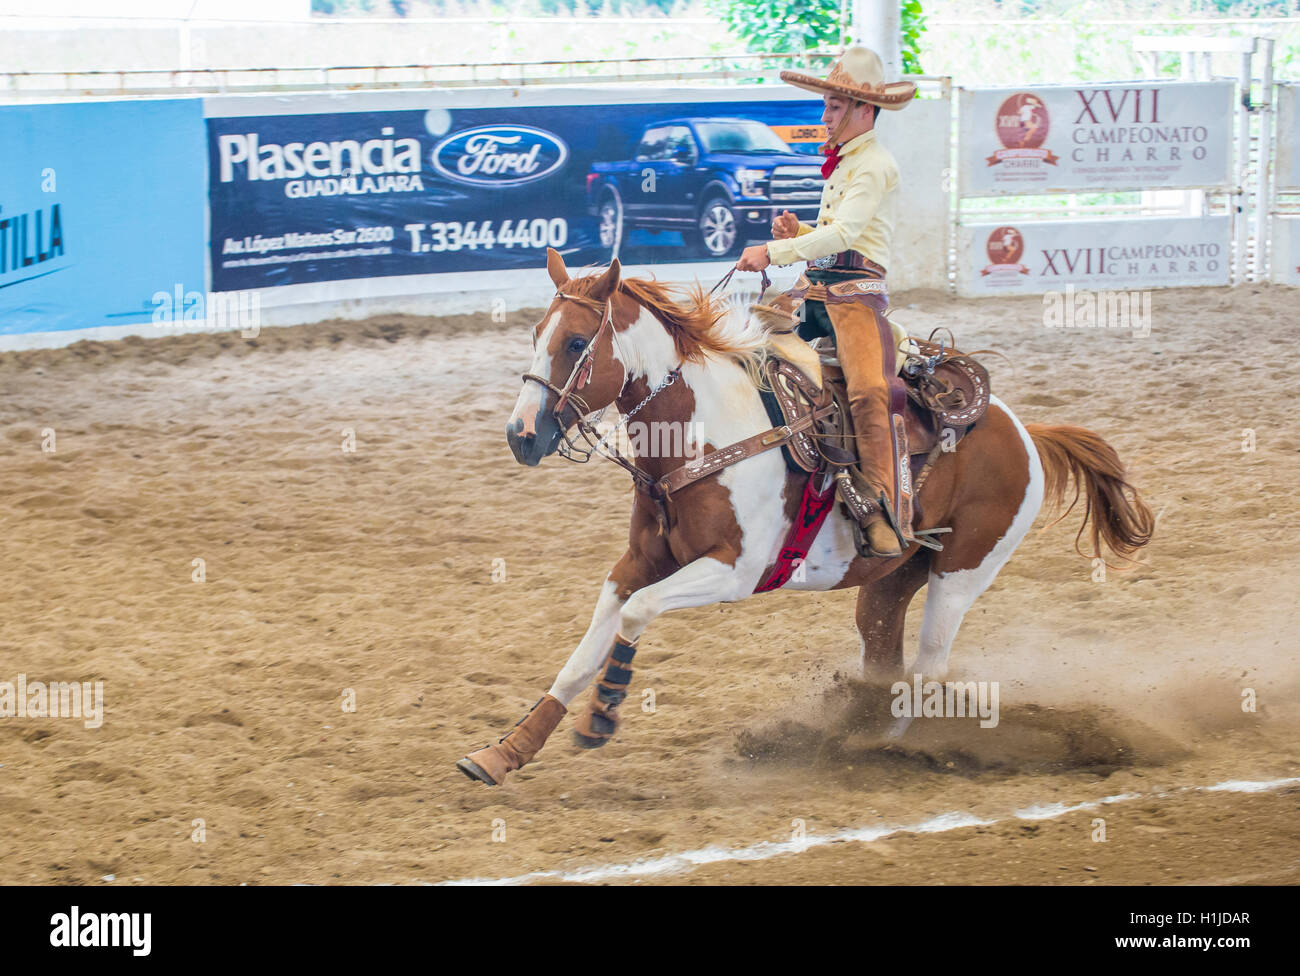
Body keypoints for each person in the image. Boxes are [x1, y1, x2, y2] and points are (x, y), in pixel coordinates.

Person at [736, 45, 917, 558]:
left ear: (864, 110)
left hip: (857, 299)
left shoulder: (875, 164)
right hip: (818, 290)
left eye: (833, 107)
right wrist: (803, 231)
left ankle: (881, 509)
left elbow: (846, 236)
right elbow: (836, 233)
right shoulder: (848, 163)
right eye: (825, 106)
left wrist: (774, 248)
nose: (824, 117)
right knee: (750, 348)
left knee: (867, 392)